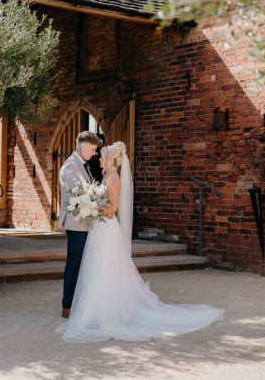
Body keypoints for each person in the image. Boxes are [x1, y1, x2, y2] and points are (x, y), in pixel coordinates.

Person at [57, 141, 224, 342]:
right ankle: (96, 308)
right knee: (100, 268)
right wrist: (91, 206)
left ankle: (102, 310)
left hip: (105, 228)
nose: (99, 159)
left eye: (101, 156)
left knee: (103, 267)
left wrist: (90, 207)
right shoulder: (107, 176)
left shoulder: (111, 179)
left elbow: (112, 209)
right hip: (101, 229)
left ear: (109, 159)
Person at [58, 130, 103, 319]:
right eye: (92, 149)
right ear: (83, 146)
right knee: (75, 263)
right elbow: (80, 196)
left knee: (82, 263)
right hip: (77, 224)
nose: (94, 153)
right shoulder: (70, 167)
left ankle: (78, 302)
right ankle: (67, 305)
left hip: (85, 222)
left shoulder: (82, 164)